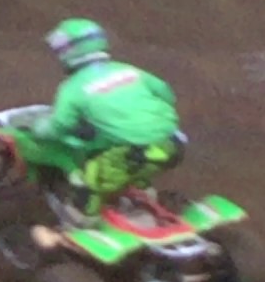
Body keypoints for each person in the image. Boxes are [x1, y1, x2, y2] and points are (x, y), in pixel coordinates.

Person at [29, 17, 185, 227]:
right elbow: (166, 94)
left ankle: (81, 223)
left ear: (70, 51)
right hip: (174, 143)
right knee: (131, 165)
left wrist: (38, 128)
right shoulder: (129, 70)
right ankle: (142, 195)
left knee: (85, 181)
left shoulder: (72, 88)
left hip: (133, 153)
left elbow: (59, 126)